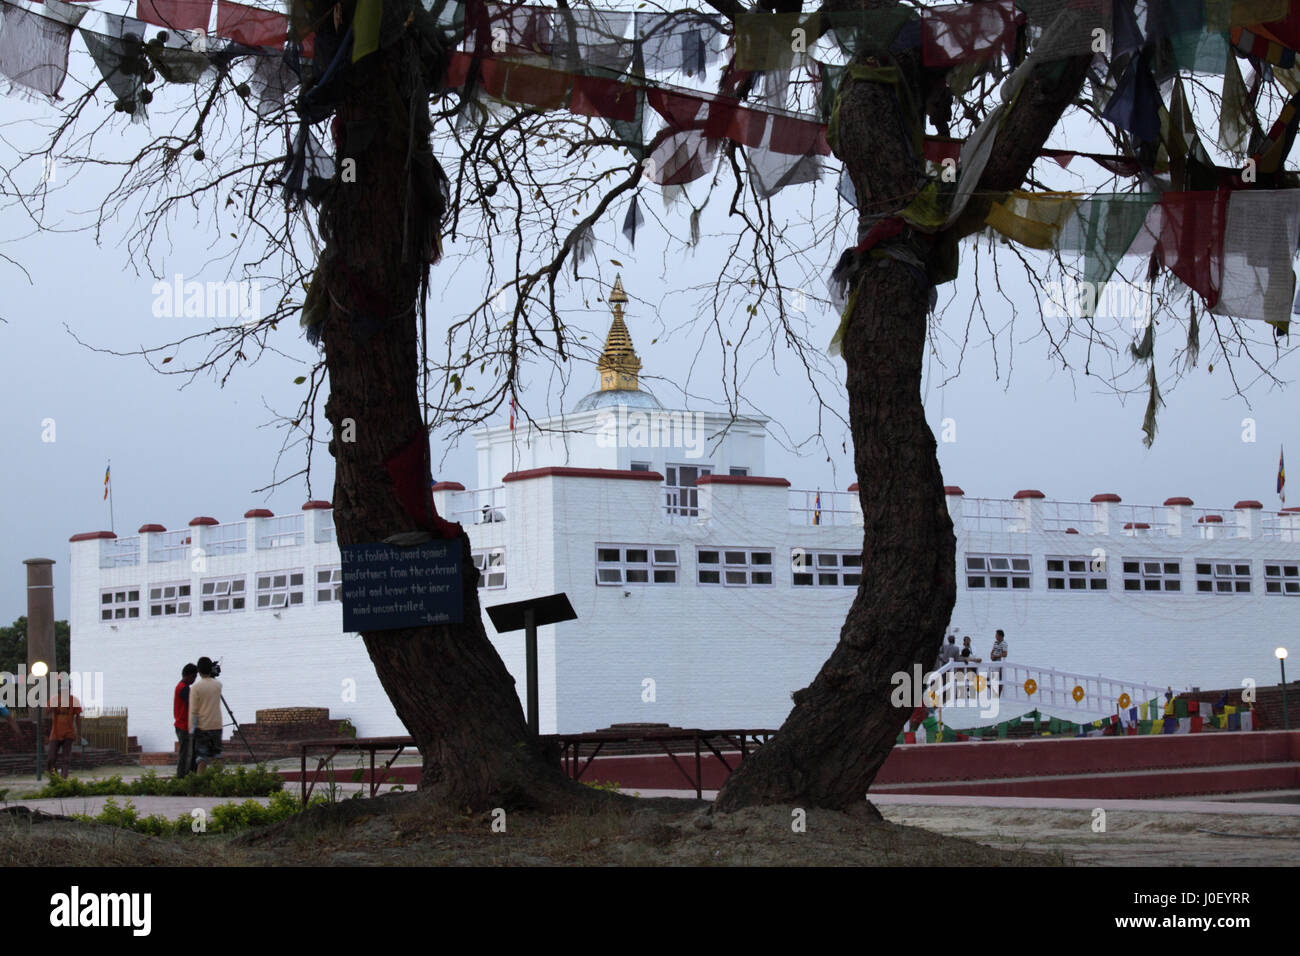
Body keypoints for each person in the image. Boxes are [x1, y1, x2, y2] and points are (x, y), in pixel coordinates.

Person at [190, 657, 224, 772]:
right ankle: (219, 782)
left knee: (202, 758)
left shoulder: (195, 688)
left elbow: (193, 711)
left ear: (198, 671)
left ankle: (201, 782)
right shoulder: (218, 685)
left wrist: (191, 729)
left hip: (202, 726)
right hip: (217, 724)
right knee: (217, 756)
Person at [46, 690, 82, 778]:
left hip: (68, 734)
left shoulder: (74, 700)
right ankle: (54, 778)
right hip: (55, 733)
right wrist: (52, 708)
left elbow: (78, 717)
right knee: (51, 758)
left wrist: (79, 734)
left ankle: (64, 778)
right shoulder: (54, 699)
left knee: (66, 759)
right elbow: (46, 712)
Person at [173, 663, 198, 778]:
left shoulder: (181, 686)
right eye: (194, 677)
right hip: (183, 725)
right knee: (185, 754)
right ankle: (182, 777)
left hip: (182, 724)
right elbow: (193, 704)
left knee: (187, 753)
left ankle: (184, 775)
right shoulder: (183, 688)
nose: (194, 680)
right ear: (188, 675)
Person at [989, 630, 1008, 696]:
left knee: (998, 679)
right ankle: (993, 693)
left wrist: (996, 656)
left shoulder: (1004, 643)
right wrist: (991, 656)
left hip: (999, 662)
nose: (995, 636)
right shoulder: (995, 643)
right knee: (991, 678)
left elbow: (1005, 654)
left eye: (996, 635)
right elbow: (992, 651)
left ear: (1000, 636)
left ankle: (997, 695)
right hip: (993, 662)